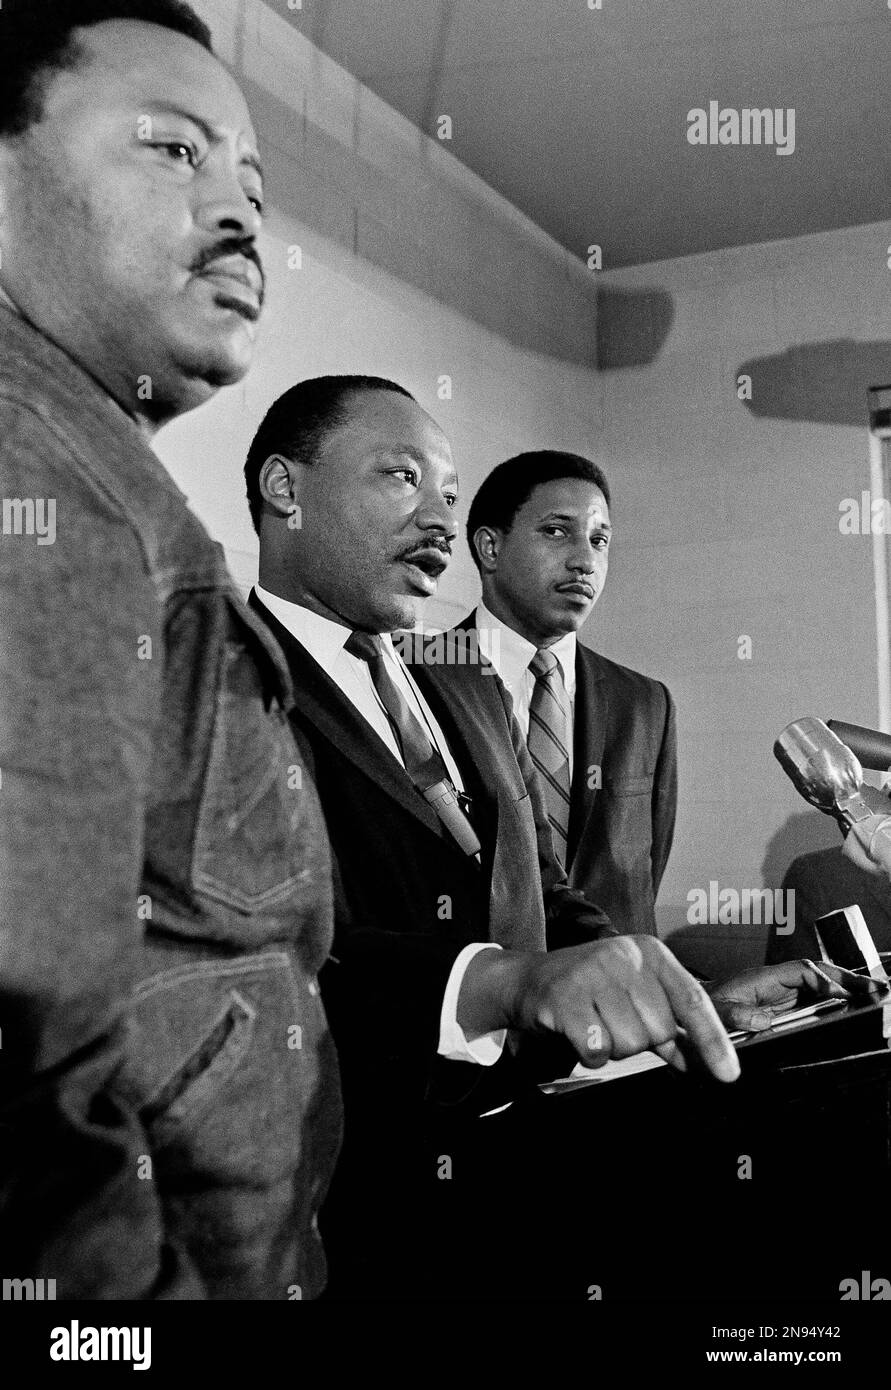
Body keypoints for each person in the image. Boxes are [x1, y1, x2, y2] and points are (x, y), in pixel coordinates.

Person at [243, 374, 864, 1296]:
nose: (439, 526)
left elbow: (539, 882)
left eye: (448, 498)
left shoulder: (454, 683)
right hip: (341, 1202)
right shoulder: (212, 682)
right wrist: (503, 983)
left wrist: (684, 1006)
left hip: (517, 1178)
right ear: (284, 489)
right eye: (401, 479)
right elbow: (260, 961)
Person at [0, 0, 340, 1299]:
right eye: (171, 150)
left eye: (250, 177)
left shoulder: (97, 476)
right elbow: (22, 1056)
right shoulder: (34, 473)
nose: (244, 215)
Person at [459, 451, 676, 935]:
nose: (585, 561)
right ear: (490, 547)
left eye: (599, 540)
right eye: (557, 532)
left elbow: (647, 868)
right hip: (476, 991)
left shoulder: (645, 704)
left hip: (614, 991)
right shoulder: (422, 676)